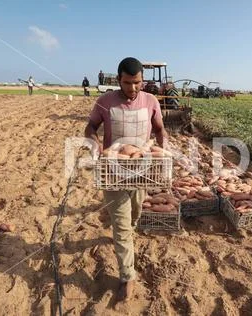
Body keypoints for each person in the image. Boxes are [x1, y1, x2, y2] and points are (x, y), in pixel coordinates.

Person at [84, 57, 168, 301]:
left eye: (137, 83)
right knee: (120, 226)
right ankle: (127, 275)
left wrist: (165, 153)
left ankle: (130, 232)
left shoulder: (151, 100)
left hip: (142, 172)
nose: (133, 88)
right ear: (119, 79)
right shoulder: (105, 102)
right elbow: (90, 127)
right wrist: (97, 148)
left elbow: (160, 128)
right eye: (128, 83)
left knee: (135, 213)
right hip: (114, 172)